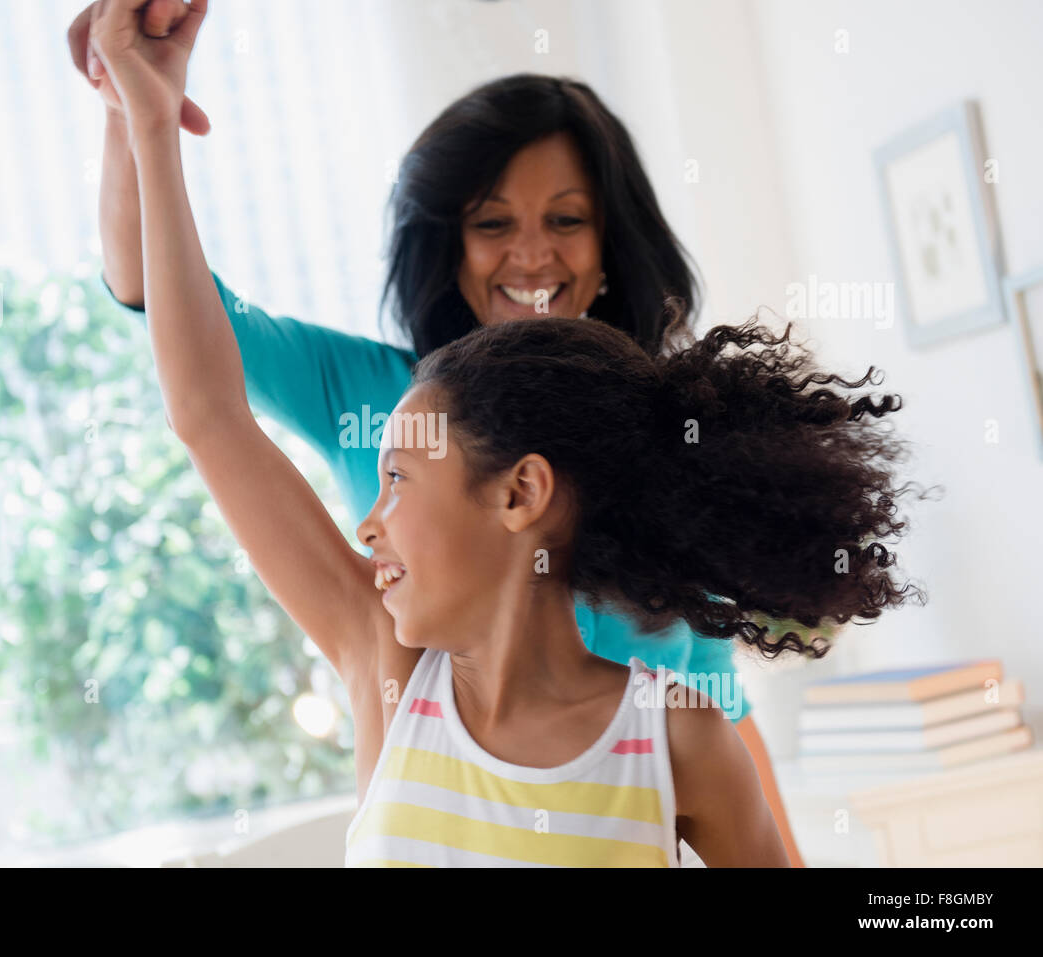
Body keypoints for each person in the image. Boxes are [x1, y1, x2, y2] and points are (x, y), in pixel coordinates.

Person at [69, 0, 808, 863]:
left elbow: (727, 726)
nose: (368, 520)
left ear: (522, 490)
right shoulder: (392, 663)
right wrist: (145, 124)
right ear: (450, 241)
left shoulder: (679, 728)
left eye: (401, 480)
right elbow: (203, 405)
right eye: (493, 222)